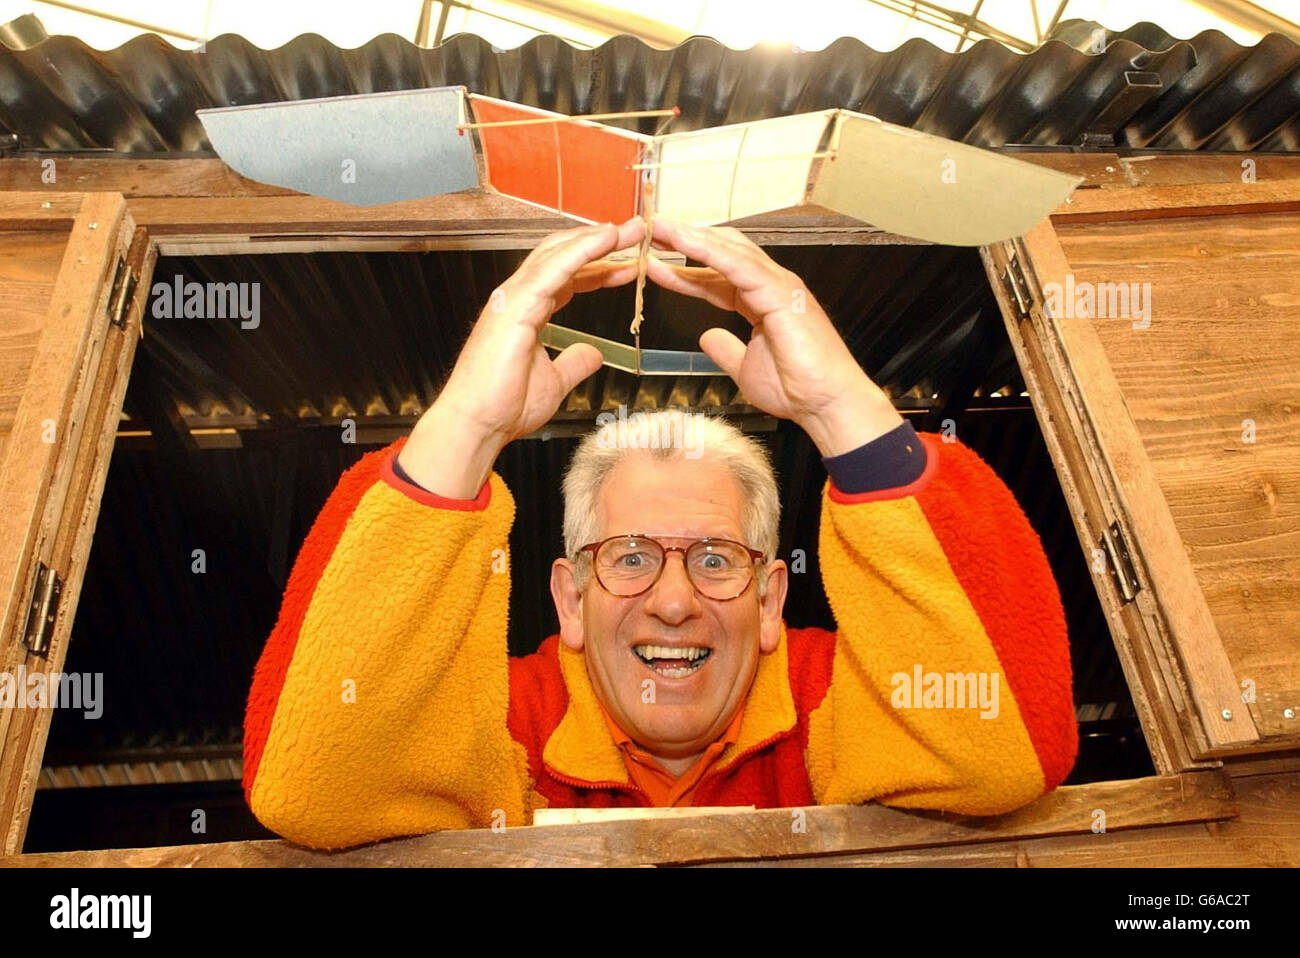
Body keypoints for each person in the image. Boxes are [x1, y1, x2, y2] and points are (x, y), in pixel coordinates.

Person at [242, 217, 1077, 851]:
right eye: (630, 557)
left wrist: (838, 406)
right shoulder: (498, 722)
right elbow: (312, 787)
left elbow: (1003, 755)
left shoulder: (840, 698)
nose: (673, 602)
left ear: (768, 597)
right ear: (568, 598)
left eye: (716, 559)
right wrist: (466, 423)